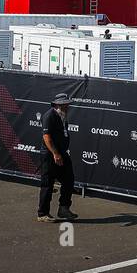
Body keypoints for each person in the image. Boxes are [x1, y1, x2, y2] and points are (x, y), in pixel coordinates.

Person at [37, 92, 77, 223]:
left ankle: (64, 208)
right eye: (65, 104)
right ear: (58, 105)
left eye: (68, 104)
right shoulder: (49, 116)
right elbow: (46, 137)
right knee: (47, 184)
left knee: (69, 179)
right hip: (50, 155)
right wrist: (55, 153)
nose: (68, 106)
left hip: (62, 153)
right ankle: (42, 213)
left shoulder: (63, 116)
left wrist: (61, 153)